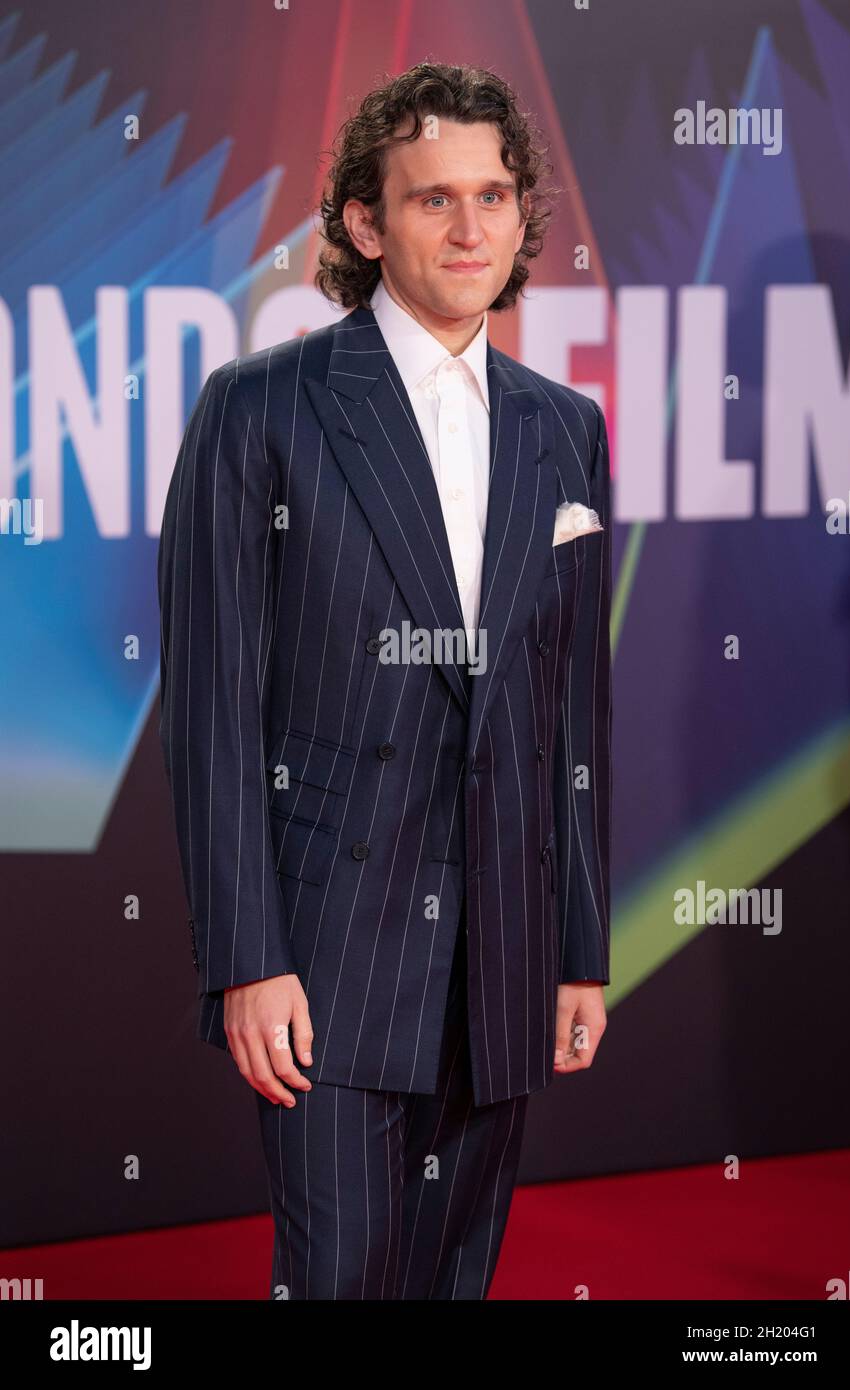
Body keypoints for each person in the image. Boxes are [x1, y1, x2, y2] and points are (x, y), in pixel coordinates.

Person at [157, 61, 611, 1301]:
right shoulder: (259, 410)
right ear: (365, 223)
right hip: (329, 957)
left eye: (496, 196)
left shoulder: (564, 426)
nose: (473, 230)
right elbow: (209, 712)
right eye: (433, 202)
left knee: (453, 1278)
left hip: (506, 956)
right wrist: (245, 957)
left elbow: (570, 712)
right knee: (343, 1277)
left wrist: (579, 945)